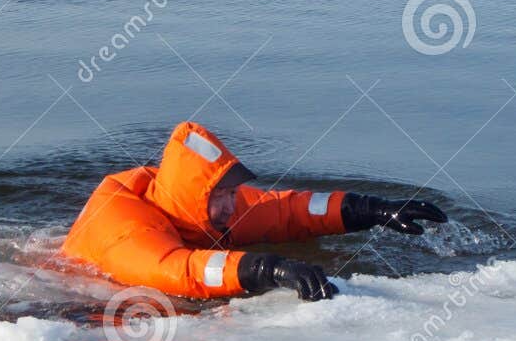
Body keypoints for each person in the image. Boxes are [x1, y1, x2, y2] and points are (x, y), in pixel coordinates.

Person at [60, 121, 447, 301]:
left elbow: (289, 211)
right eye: (222, 195)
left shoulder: (203, 205)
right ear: (194, 195)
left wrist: (374, 210)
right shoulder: (126, 231)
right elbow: (180, 270)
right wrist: (272, 269)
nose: (233, 202)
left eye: (231, 191)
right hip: (74, 296)